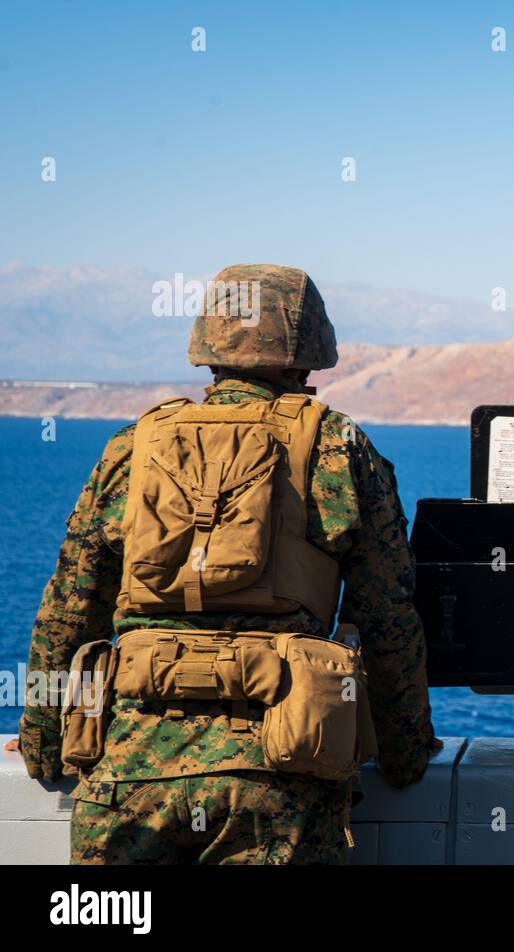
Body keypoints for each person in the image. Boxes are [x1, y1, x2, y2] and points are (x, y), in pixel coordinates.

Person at [10, 263, 437, 864]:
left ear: (206, 345)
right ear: (309, 349)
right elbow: (387, 615)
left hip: (130, 773)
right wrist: (404, 750)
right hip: (281, 775)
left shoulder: (134, 445)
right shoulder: (339, 446)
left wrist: (43, 741)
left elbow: (67, 608)